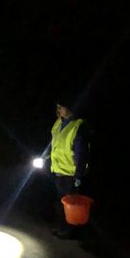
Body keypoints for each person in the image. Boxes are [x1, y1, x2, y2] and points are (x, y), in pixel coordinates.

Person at [49, 96, 89, 239]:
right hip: (58, 170)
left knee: (69, 205)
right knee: (60, 203)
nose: (58, 110)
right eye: (57, 107)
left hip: (70, 173)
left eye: (61, 107)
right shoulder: (58, 123)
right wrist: (47, 156)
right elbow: (54, 144)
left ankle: (69, 231)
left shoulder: (78, 125)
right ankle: (62, 228)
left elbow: (81, 153)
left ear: (70, 108)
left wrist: (78, 175)